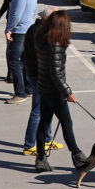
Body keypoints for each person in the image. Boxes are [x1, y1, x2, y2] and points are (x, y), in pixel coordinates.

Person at [33, 10, 87, 173]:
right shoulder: (55, 44)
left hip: (44, 87)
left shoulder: (42, 38)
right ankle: (77, 155)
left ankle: (41, 158)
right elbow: (55, 72)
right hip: (54, 90)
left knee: (44, 123)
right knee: (66, 122)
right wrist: (67, 92)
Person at [21, 8, 63, 156]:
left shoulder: (38, 28)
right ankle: (29, 145)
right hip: (38, 76)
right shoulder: (38, 32)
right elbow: (39, 57)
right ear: (48, 18)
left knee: (47, 107)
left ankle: (47, 139)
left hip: (37, 74)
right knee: (37, 110)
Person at [5, 0, 37, 105]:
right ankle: (29, 89)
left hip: (19, 32)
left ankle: (20, 93)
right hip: (29, 30)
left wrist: (9, 29)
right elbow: (34, 12)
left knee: (14, 61)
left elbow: (16, 15)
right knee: (24, 61)